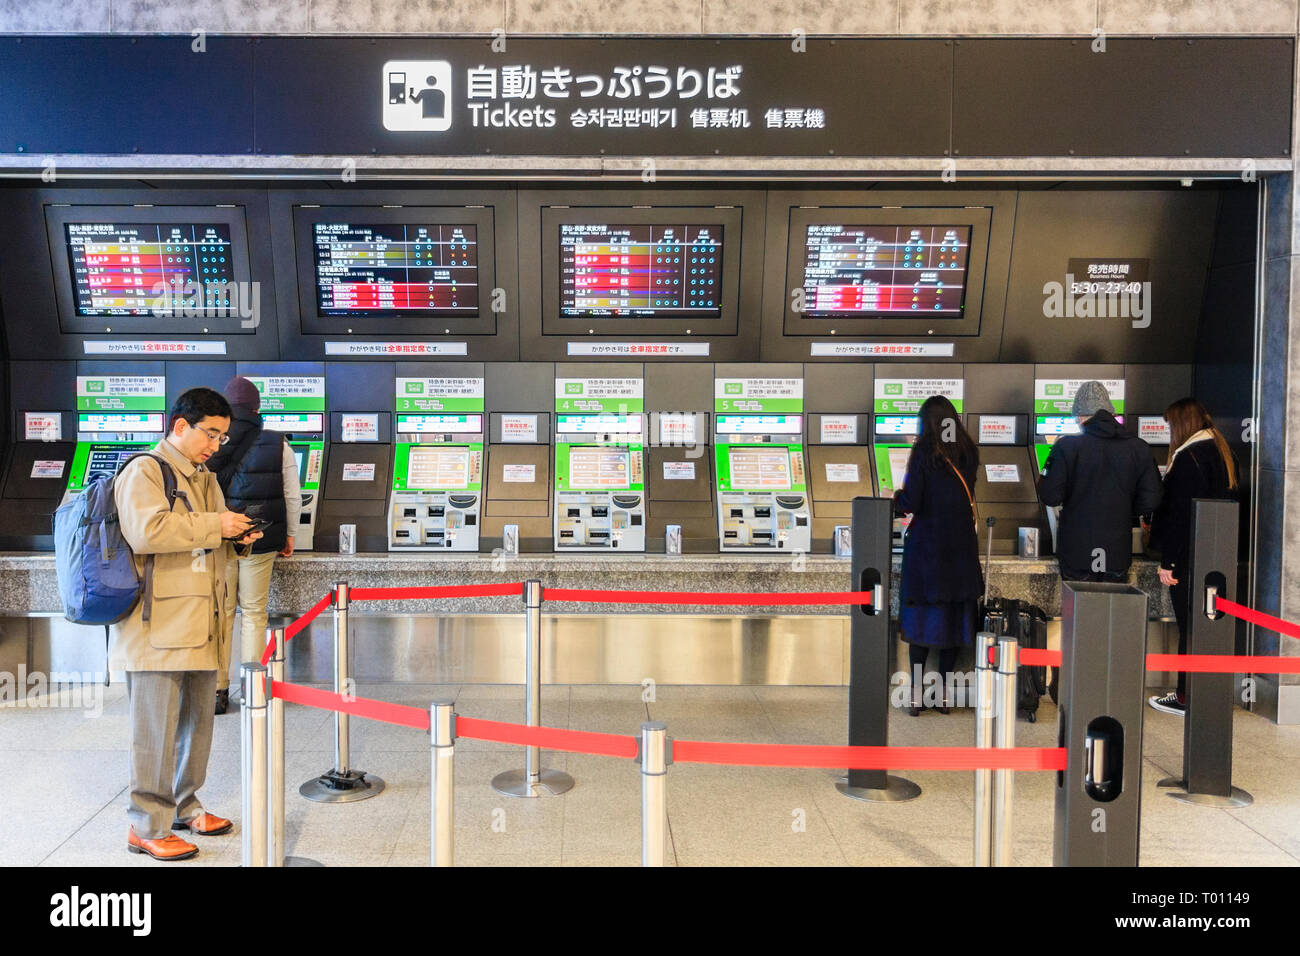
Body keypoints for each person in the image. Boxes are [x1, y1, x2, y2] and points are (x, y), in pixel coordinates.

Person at [113, 387, 262, 861]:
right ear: (181, 426)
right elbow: (146, 531)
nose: (216, 445)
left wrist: (238, 536)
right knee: (154, 730)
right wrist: (216, 527)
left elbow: (214, 528)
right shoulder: (145, 471)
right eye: (211, 434)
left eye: (222, 436)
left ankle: (184, 805)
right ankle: (145, 824)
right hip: (158, 627)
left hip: (202, 621)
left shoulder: (202, 476)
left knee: (197, 724)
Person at [206, 376, 301, 714]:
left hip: (217, 538)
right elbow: (292, 495)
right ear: (258, 408)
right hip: (260, 537)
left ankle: (217, 691)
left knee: (222, 612)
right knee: (254, 613)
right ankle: (251, 687)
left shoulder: (211, 440)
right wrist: (291, 535)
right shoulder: (278, 443)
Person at [891, 396, 983, 715]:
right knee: (955, 619)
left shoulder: (924, 452)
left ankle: (916, 692)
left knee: (920, 621)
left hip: (928, 552)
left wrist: (894, 499)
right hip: (961, 551)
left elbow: (911, 500)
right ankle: (943, 693)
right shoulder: (968, 452)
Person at [1147, 399, 1239, 716]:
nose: (1169, 432)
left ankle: (1186, 696)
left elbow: (1179, 515)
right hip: (1216, 555)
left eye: (1171, 425)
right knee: (1206, 627)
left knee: (1189, 626)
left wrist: (1168, 562)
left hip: (1188, 558)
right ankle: (1206, 696)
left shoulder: (1189, 457)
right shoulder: (1220, 450)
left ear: (1182, 424)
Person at [1039, 381, 1162, 582]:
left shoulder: (1067, 446)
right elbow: (1151, 501)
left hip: (1076, 550)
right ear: (1111, 414)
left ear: (1079, 417)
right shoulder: (1139, 448)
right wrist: (1123, 510)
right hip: (1117, 550)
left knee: (1079, 610)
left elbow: (1050, 496)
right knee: (1111, 611)